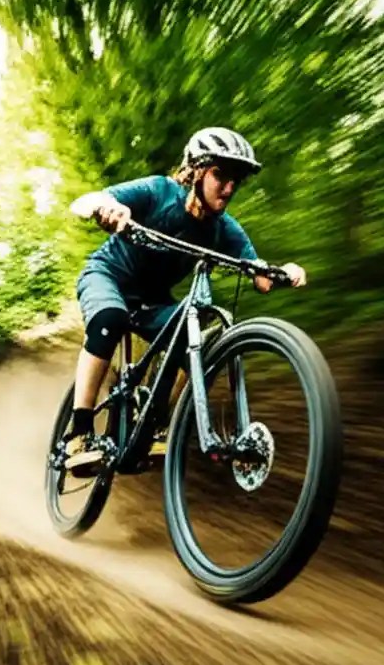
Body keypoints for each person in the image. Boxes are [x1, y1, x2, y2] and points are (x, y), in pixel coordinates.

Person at [61, 126, 307, 477]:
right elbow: (85, 202)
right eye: (220, 175)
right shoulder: (159, 191)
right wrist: (108, 208)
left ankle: (156, 423)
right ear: (195, 171)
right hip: (108, 276)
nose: (229, 188)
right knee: (110, 318)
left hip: (152, 302)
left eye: (235, 180)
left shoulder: (225, 229)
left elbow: (261, 278)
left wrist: (285, 271)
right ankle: (79, 433)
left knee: (196, 336)